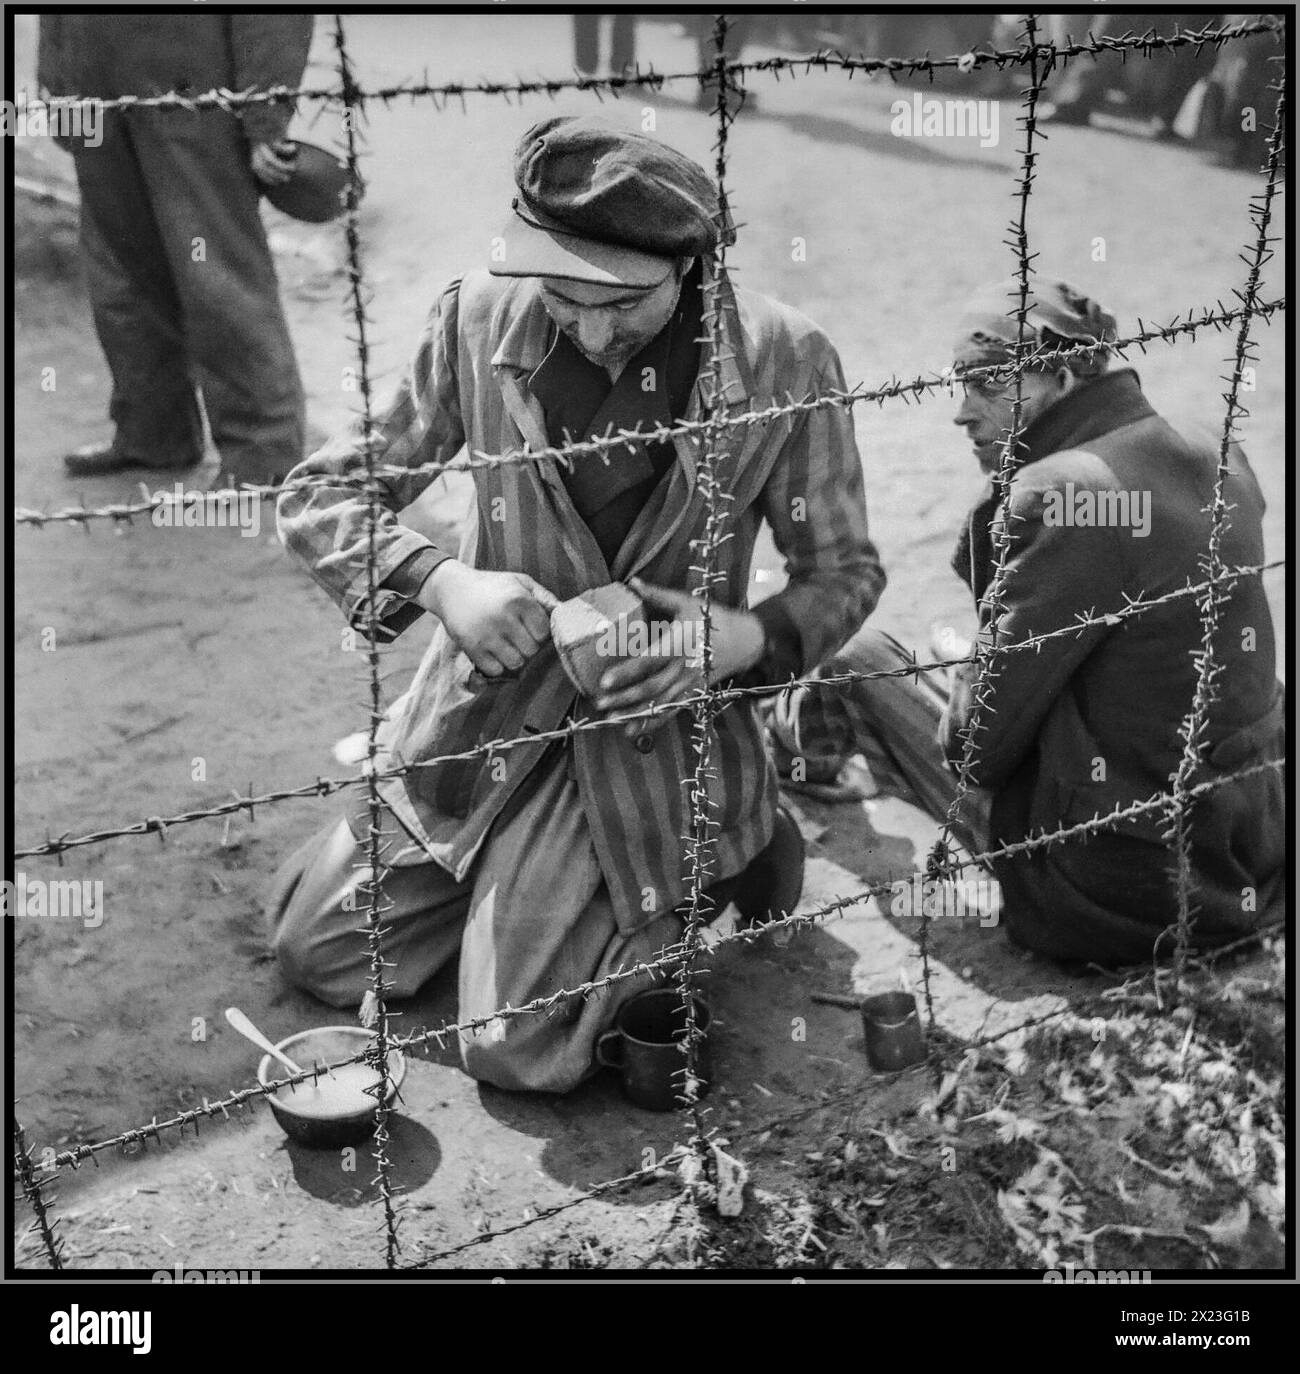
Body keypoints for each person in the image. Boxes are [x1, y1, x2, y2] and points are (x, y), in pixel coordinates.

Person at [269, 116, 885, 1092]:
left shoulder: (783, 362)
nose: (594, 332)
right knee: (314, 946)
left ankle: (731, 863)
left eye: (628, 304)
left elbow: (845, 572)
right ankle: (538, 896)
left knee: (515, 1046)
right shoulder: (476, 318)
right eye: (563, 298)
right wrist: (443, 583)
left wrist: (737, 639)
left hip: (651, 733)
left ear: (695, 269)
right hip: (488, 710)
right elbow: (318, 494)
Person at [770, 278, 1284, 966]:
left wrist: (976, 651)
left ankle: (800, 757)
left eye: (986, 386)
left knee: (860, 657)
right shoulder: (1211, 445)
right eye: (962, 385)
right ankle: (808, 747)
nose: (963, 413)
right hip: (1248, 856)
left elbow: (977, 749)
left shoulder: (1065, 493)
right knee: (972, 656)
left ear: (1064, 376)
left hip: (1120, 894)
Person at [37, 13, 313, 485]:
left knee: (215, 275)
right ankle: (154, 434)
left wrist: (265, 111)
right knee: (120, 277)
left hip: (196, 94)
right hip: (94, 92)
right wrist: (58, 86)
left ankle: (262, 458)